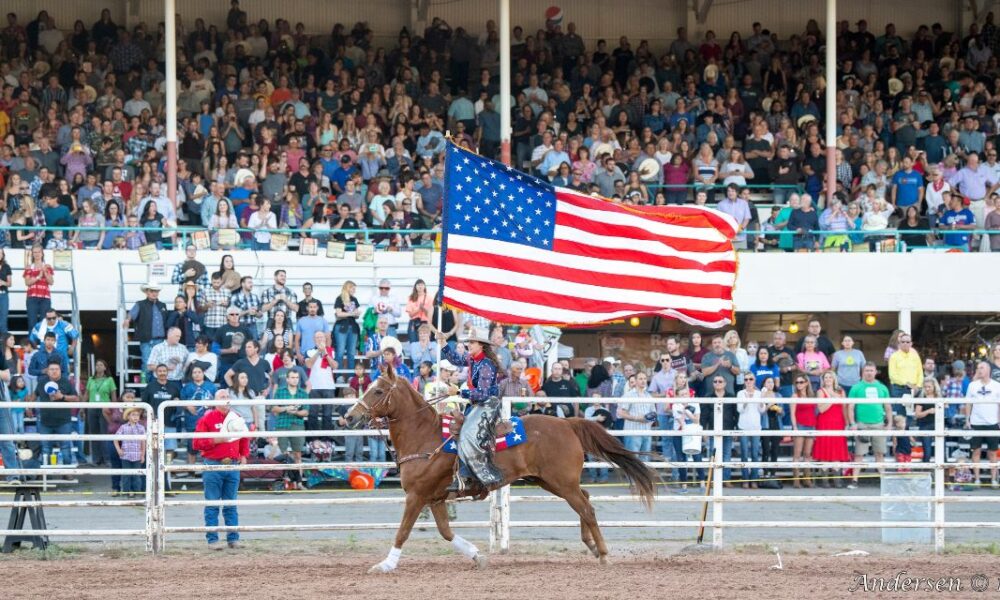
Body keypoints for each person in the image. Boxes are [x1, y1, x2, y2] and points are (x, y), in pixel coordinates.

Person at [438, 326, 503, 495]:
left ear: (481, 345)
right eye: (468, 342)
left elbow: (483, 393)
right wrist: (444, 342)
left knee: (466, 432)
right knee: (457, 428)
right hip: (477, 404)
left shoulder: (487, 365)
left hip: (488, 404)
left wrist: (459, 392)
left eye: (472, 342)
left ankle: (467, 476)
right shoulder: (473, 359)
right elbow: (454, 359)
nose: (468, 345)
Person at [192, 390, 250, 549]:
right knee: (212, 503)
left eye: (227, 397)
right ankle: (213, 540)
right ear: (215, 401)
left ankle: (233, 538)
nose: (225, 400)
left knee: (231, 503)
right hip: (213, 464)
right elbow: (196, 443)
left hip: (232, 464)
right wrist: (217, 439)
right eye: (222, 397)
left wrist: (243, 455)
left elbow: (244, 437)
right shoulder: (207, 419)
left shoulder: (236, 417)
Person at [847, 362, 893, 489]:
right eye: (866, 370)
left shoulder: (882, 388)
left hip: (878, 423)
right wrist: (852, 423)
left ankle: (884, 481)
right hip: (862, 423)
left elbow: (888, 407)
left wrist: (889, 424)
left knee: (879, 453)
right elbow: (850, 407)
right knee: (859, 454)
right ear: (863, 372)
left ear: (875, 372)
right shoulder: (856, 387)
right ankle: (854, 480)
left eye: (871, 370)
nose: (869, 373)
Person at [964, 361, 1000, 488]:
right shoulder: (972, 385)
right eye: (978, 368)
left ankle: (994, 479)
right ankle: (977, 479)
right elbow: (968, 403)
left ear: (988, 370)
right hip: (976, 422)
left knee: (993, 452)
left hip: (992, 422)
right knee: (976, 451)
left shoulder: (997, 386)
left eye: (982, 368)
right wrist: (967, 420)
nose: (979, 370)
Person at [36, 359, 79, 466]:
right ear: (47, 371)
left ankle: (67, 472)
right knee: (46, 449)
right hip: (45, 421)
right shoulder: (42, 382)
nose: (54, 371)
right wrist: (27, 406)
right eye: (51, 369)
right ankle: (47, 475)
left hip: (63, 421)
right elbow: (34, 395)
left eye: (56, 369)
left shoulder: (66, 382)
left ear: (60, 370)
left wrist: (62, 397)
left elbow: (76, 398)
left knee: (65, 448)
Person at [272, 369, 309, 490]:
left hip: (297, 424)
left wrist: (296, 412)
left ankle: (298, 482)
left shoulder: (303, 393)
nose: (295, 379)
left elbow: (306, 411)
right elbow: (274, 408)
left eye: (297, 377)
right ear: (287, 379)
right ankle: (286, 482)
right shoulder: (280, 391)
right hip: (282, 424)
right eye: (292, 377)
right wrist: (286, 408)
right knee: (283, 455)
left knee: (297, 454)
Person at [812, 370, 850, 488]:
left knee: (837, 450)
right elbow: (821, 409)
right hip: (824, 422)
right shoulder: (820, 391)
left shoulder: (840, 391)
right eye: (825, 377)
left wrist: (847, 422)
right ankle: (825, 481)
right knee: (824, 449)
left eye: (830, 377)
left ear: (834, 379)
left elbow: (844, 407)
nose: (828, 379)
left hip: (838, 422)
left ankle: (837, 480)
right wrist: (832, 399)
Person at [123, 282, 168, 381]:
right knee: (147, 363)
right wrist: (127, 320)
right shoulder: (140, 304)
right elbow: (131, 314)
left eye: (156, 291)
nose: (154, 293)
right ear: (147, 292)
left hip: (160, 341)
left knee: (160, 364)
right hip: (146, 340)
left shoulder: (162, 305)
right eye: (152, 291)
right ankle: (144, 385)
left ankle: (156, 385)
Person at [83, 359, 117, 466]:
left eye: (101, 365)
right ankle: (96, 459)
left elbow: (113, 396)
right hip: (92, 408)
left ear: (105, 368)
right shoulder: (91, 379)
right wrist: (82, 408)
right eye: (97, 365)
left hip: (105, 409)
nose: (98, 367)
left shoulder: (109, 380)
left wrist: (114, 409)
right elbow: (86, 394)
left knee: (104, 434)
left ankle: (107, 459)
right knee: (94, 434)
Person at [736, 373, 765, 488]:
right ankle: (745, 479)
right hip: (743, 426)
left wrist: (761, 399)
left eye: (751, 379)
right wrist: (747, 401)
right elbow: (740, 410)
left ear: (754, 380)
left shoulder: (759, 393)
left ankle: (754, 479)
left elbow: (762, 410)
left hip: (756, 427)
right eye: (746, 379)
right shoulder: (740, 393)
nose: (748, 381)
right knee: (744, 453)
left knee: (754, 454)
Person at [618, 371, 656, 456]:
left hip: (646, 432)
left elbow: (654, 414)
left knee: (645, 460)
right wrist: (637, 418)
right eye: (640, 379)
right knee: (633, 459)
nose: (643, 381)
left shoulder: (648, 396)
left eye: (645, 379)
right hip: (632, 432)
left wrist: (648, 421)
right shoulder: (628, 395)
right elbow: (621, 413)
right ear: (635, 381)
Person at [790, 373, 816, 488]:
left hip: (810, 425)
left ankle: (807, 478)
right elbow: (792, 414)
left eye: (801, 382)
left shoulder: (812, 396)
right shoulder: (795, 396)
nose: (799, 384)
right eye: (797, 382)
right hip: (800, 425)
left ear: (806, 383)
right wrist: (795, 427)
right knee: (797, 453)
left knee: (807, 454)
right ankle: (796, 479)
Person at [114, 407, 146, 498]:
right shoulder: (123, 427)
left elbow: (143, 442)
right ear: (128, 416)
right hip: (126, 455)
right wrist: (119, 450)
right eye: (133, 415)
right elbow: (115, 439)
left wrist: (143, 454)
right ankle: (126, 492)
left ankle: (138, 492)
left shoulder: (141, 428)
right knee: (126, 475)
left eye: (137, 415)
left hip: (137, 455)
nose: (136, 417)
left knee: (137, 475)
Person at [23, 245, 54, 331]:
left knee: (44, 323)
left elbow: (51, 282)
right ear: (32, 254)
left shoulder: (47, 267)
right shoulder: (29, 267)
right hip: (32, 298)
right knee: (32, 323)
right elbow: (27, 282)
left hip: (45, 298)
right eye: (34, 252)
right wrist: (38, 277)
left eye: (38, 252)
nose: (37, 254)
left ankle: (43, 344)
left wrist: (45, 272)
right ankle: (32, 344)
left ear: (42, 253)